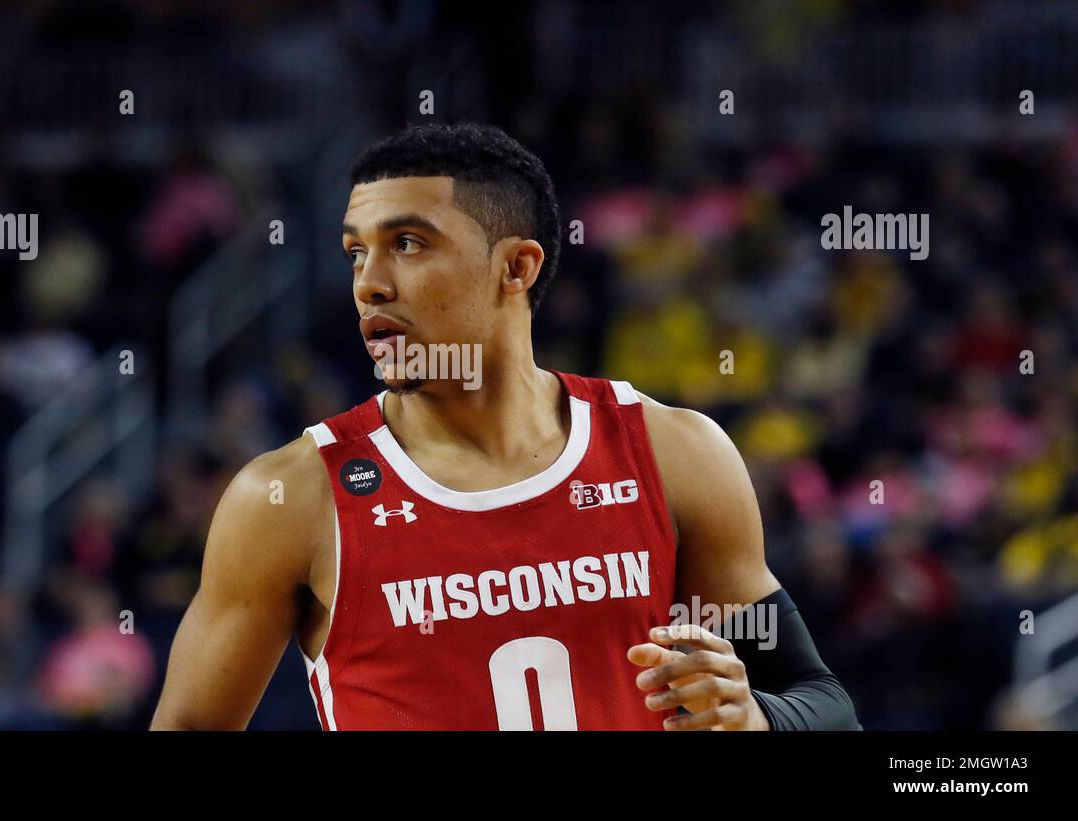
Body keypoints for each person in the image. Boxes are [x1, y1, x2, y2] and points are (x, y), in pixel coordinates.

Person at [151, 123, 860, 730]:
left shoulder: (674, 451)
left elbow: (826, 705)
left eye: (408, 243)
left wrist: (755, 716)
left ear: (516, 266)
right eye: (355, 251)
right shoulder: (288, 496)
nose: (369, 280)